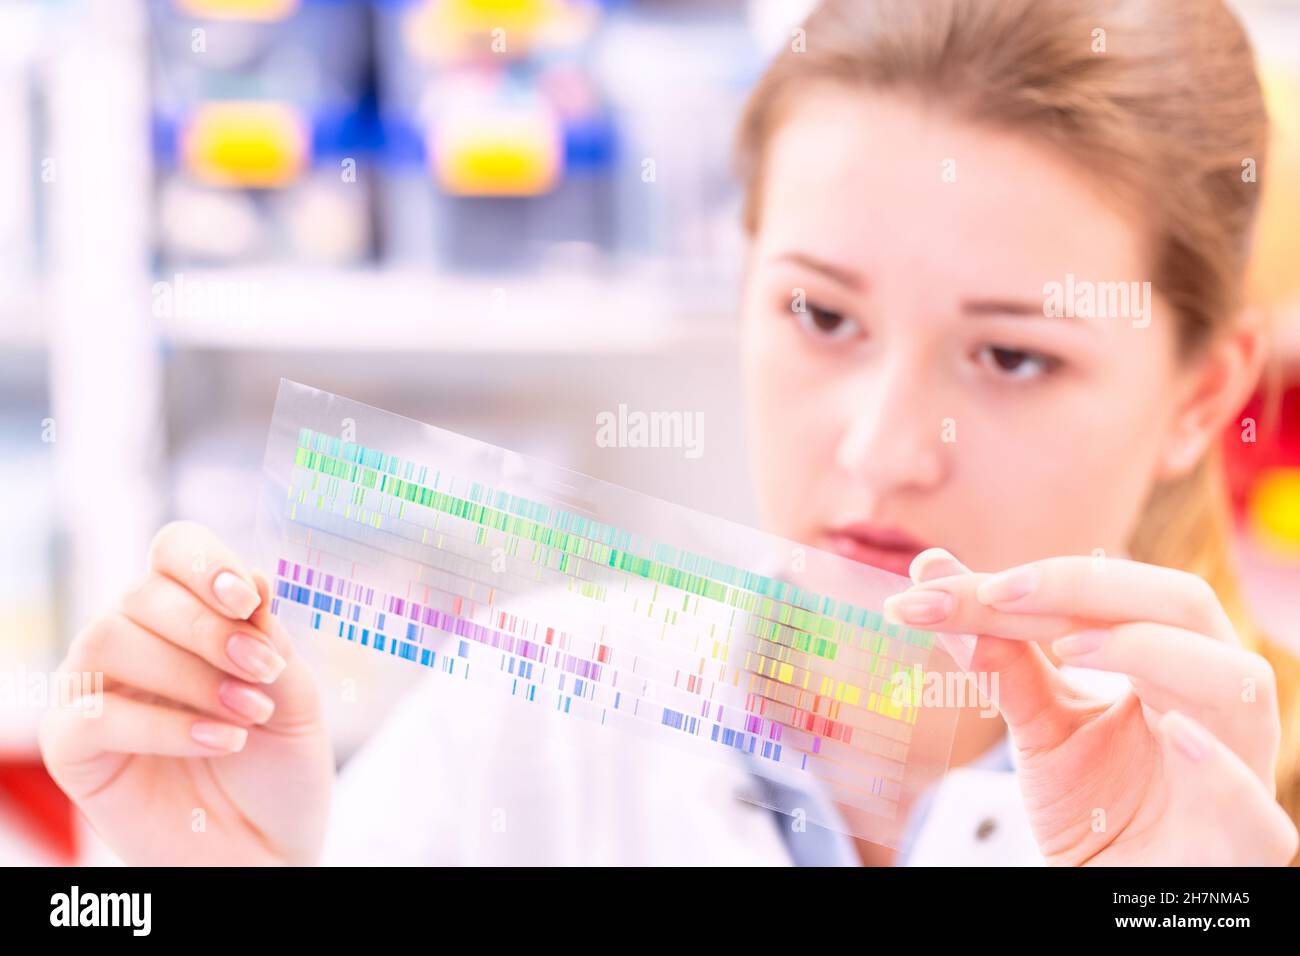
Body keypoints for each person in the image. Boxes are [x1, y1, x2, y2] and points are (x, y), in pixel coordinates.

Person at [40, 0, 1300, 865]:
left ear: (1203, 392)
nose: (878, 448)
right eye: (821, 311)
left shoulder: (1226, 830)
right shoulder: (537, 713)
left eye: (1013, 354)